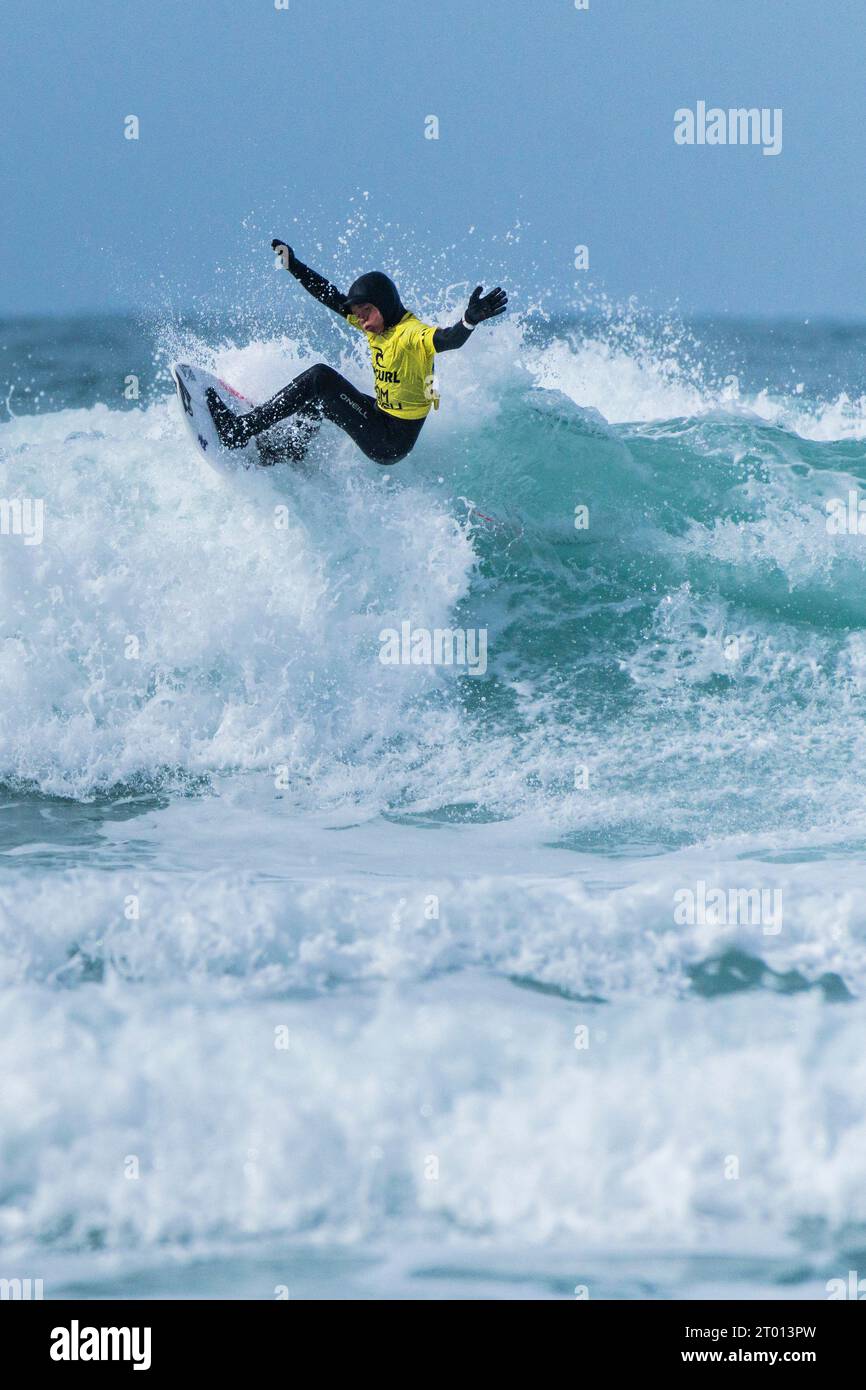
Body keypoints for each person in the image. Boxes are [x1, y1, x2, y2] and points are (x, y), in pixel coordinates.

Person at [205, 241, 507, 465]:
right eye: (358, 313)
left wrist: (469, 320)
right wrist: (293, 265)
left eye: (367, 311)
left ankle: (239, 430)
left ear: (385, 305)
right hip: (382, 416)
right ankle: (287, 452)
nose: (361, 319)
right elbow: (329, 294)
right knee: (320, 399)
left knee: (319, 378)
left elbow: (448, 340)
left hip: (389, 441)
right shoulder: (377, 325)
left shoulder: (410, 334)